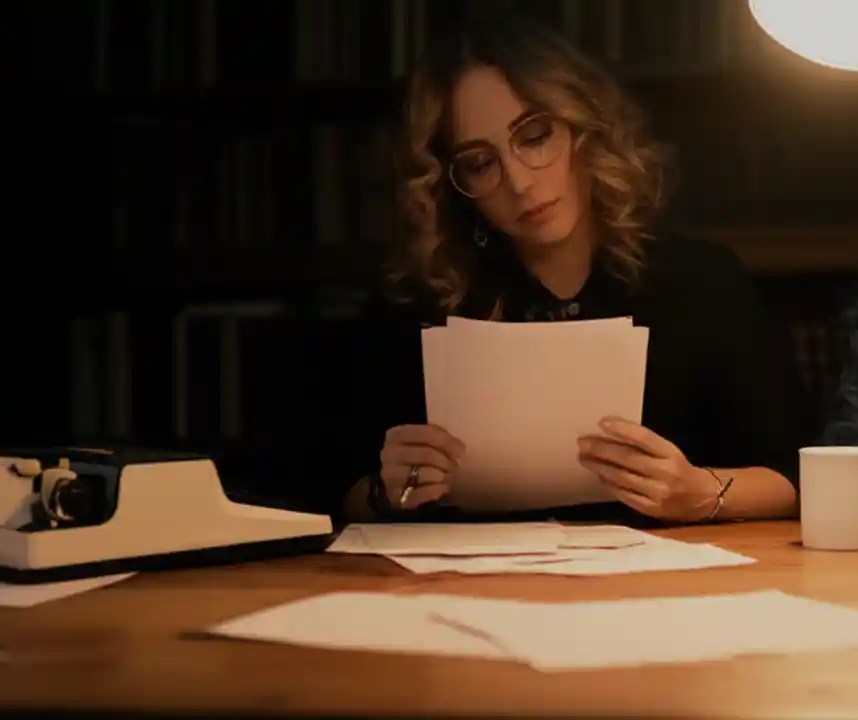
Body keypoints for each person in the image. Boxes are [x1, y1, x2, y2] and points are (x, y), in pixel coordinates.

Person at [315, 14, 815, 524]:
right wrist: (385, 490)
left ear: (582, 127)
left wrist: (699, 492)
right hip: (469, 591)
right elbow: (324, 493)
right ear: (453, 183)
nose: (519, 182)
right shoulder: (421, 303)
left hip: (665, 589)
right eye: (480, 163)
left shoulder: (700, 280)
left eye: (533, 136)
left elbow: (801, 478)